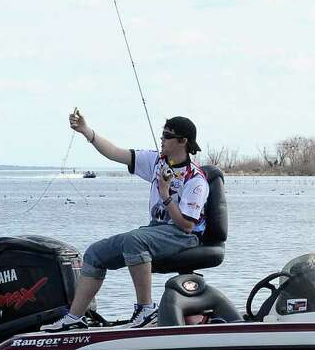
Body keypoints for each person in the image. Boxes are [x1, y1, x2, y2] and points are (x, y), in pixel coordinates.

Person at [41, 110, 209, 331]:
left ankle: (146, 309)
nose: (162, 139)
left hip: (184, 236)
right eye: (162, 134)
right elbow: (115, 153)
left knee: (134, 241)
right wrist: (86, 131)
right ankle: (74, 318)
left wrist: (165, 193)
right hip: (156, 230)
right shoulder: (156, 161)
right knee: (95, 253)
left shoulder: (195, 179)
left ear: (183, 141)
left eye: (167, 136)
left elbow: (187, 226)